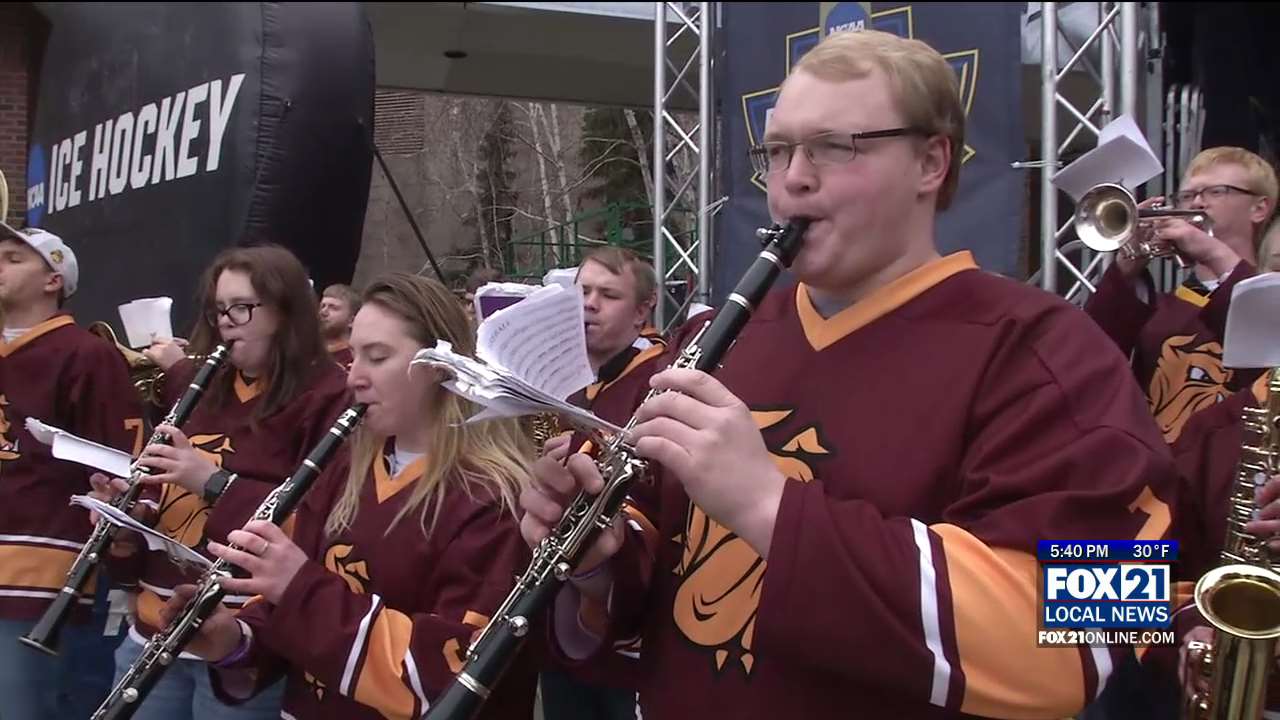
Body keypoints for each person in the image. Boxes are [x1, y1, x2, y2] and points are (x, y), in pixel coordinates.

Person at [520, 29, 1180, 719]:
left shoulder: (1054, 353)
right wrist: (600, 562)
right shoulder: (714, 340)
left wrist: (767, 506)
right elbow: (660, 587)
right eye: (777, 150)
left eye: (835, 146)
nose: (793, 177)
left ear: (930, 162)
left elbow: (1089, 641)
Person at [156, 273, 537, 719]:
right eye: (353, 355)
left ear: (439, 368)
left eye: (377, 357)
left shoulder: (494, 497)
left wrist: (299, 586)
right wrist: (234, 640)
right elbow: (291, 619)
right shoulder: (346, 468)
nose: (353, 377)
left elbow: (453, 671)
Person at [95, 243, 351, 720]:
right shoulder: (199, 383)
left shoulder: (327, 394)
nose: (226, 321)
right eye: (218, 310)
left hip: (243, 637)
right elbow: (166, 487)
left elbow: (321, 520)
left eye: (241, 307)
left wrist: (211, 481)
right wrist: (134, 517)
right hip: (154, 623)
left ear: (286, 310)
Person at [0, 223, 143, 718]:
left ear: (52, 280)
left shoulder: (86, 355)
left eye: (15, 258)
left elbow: (122, 463)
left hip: (39, 572)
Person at [539, 247, 667, 720]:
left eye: (607, 295)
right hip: (557, 618)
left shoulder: (660, 377)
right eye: (583, 292)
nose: (588, 304)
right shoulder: (568, 380)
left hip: (630, 633)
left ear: (642, 310)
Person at [1084, 147, 1278, 443]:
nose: (1198, 202)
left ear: (1259, 208)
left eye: (1216, 191)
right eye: (1187, 196)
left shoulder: (1270, 293)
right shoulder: (1160, 307)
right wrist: (1127, 267)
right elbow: (1090, 359)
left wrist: (1214, 253)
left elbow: (1266, 344)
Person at [319, 283, 360, 370]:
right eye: (322, 306)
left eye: (333, 308)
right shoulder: (306, 349)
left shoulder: (354, 361)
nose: (323, 312)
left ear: (352, 321)